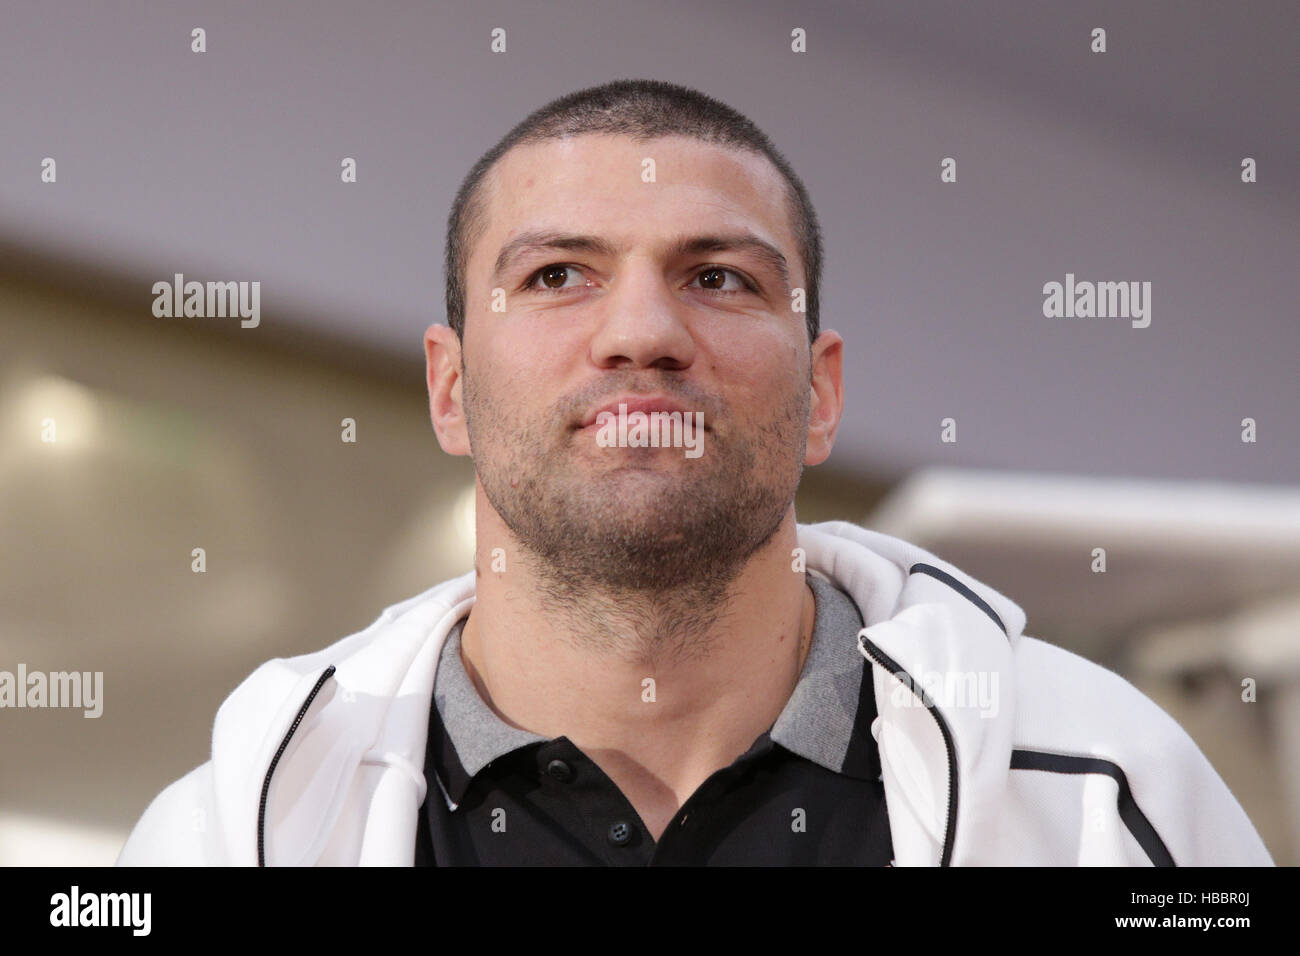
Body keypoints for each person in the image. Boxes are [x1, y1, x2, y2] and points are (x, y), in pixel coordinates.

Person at [117, 78, 1273, 866]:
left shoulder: (1105, 797)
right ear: (450, 388)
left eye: (718, 277)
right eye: (561, 273)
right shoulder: (232, 829)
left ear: (819, 391)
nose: (641, 331)